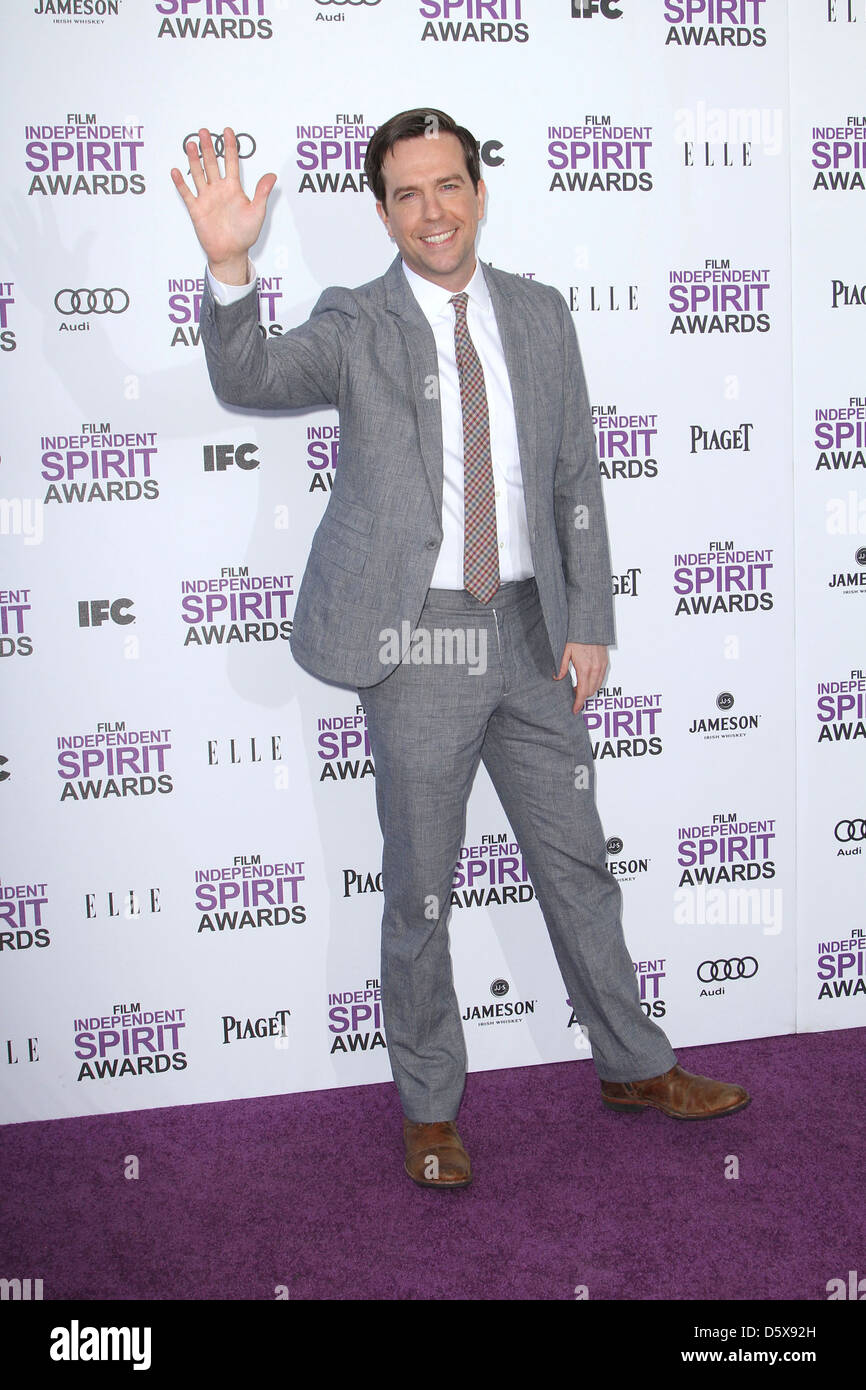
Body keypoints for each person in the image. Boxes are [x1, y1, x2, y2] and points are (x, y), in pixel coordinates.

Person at [171, 109, 750, 1191]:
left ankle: (631, 1061)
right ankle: (430, 1110)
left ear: (479, 190)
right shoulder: (357, 324)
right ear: (381, 210)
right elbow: (247, 377)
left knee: (577, 864)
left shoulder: (537, 315)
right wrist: (229, 265)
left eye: (448, 185)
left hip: (532, 628)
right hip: (415, 639)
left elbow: (574, 476)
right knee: (420, 889)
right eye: (406, 194)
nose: (431, 211)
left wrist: (590, 619)